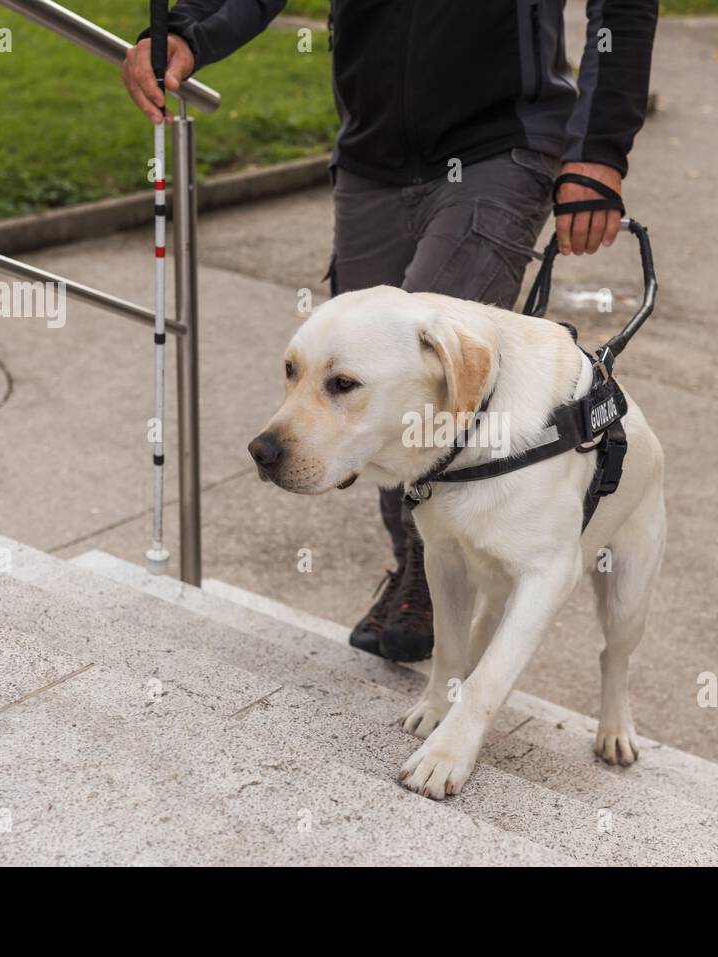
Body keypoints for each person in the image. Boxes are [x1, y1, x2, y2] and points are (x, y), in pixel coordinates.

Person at [123, 0, 658, 662]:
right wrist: (188, 29)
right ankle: (422, 563)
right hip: (370, 152)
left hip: (499, 140)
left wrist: (598, 150)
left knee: (437, 368)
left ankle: (436, 578)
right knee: (362, 376)